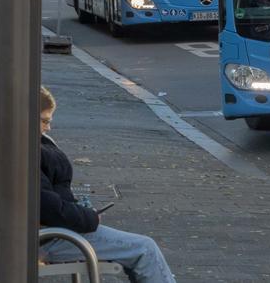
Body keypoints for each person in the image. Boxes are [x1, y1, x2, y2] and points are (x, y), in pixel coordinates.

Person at [39, 86, 175, 283]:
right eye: (44, 120)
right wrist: (90, 217)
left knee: (141, 249)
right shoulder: (22, 150)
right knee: (145, 250)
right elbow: (48, 207)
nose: (48, 127)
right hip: (50, 236)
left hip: (50, 230)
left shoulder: (26, 144)